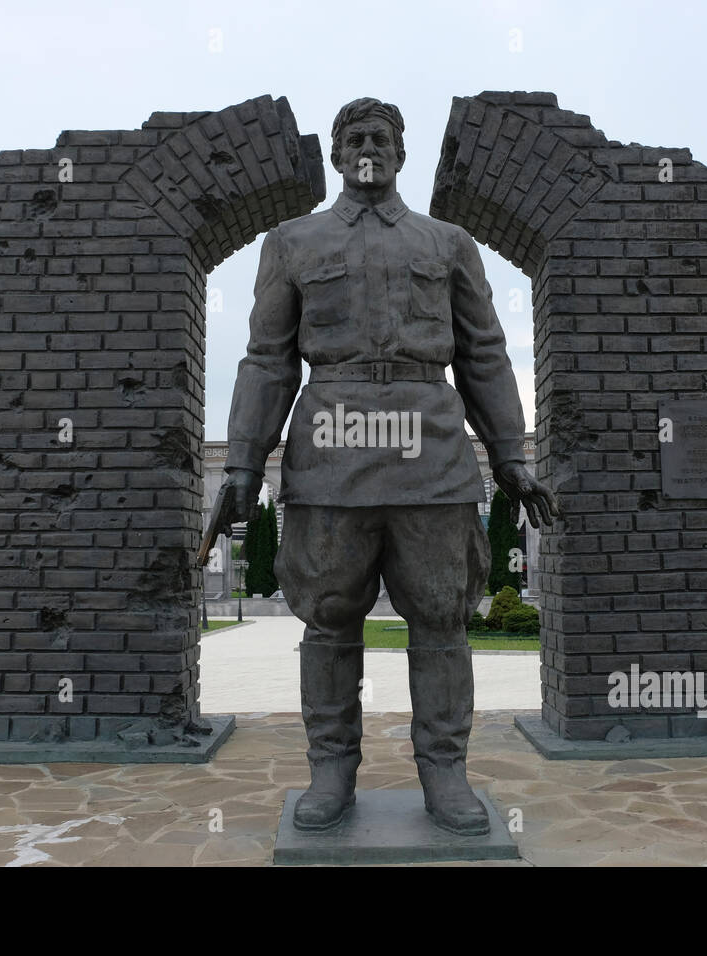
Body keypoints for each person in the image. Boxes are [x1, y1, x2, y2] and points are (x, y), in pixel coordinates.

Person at [217, 97, 557, 834]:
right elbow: (267, 359)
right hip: (332, 443)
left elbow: (485, 355)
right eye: (355, 138)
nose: (368, 148)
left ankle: (445, 772)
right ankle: (332, 770)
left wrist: (510, 455)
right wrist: (243, 464)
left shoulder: (449, 243)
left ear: (399, 154)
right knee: (330, 617)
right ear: (339, 155)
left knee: (441, 617)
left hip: (428, 445)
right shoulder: (291, 242)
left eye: (382, 138)